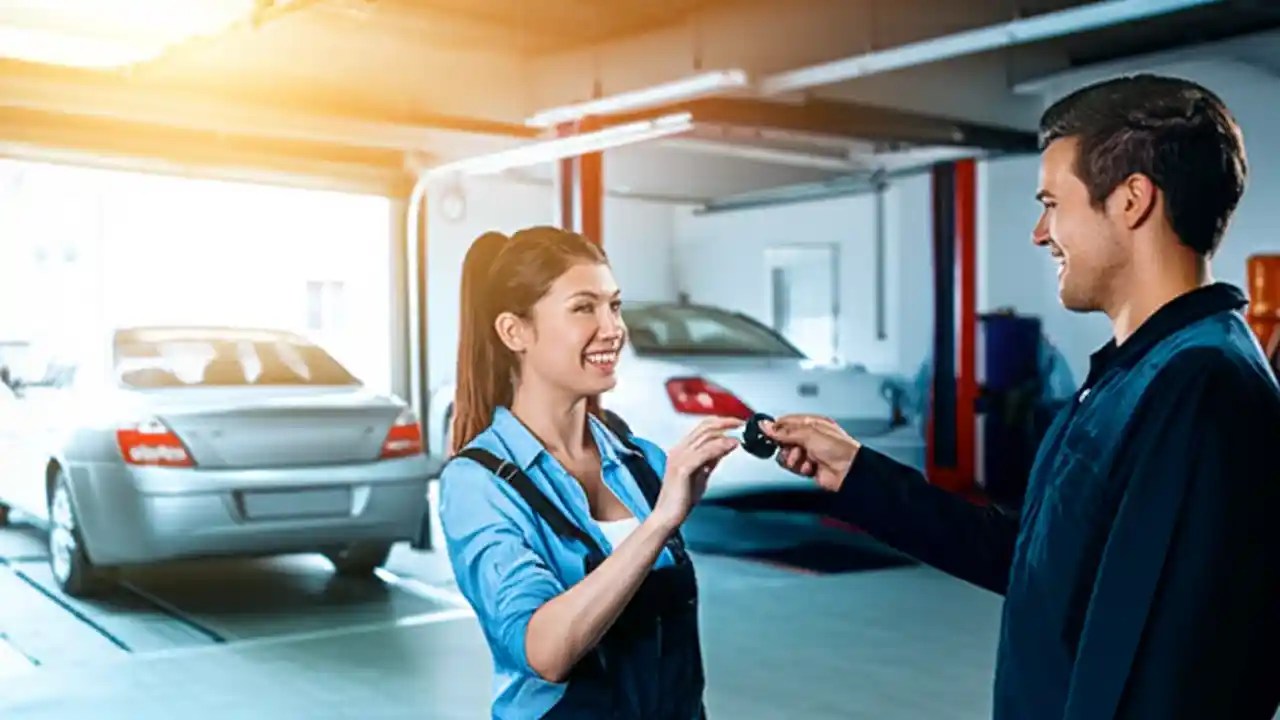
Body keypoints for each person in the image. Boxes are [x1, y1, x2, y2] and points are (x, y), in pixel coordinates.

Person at [761, 74, 1280, 719]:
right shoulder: (1134, 373)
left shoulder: (1200, 387)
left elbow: (1164, 670)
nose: (1040, 231)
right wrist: (857, 473)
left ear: (1131, 201)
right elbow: (1041, 565)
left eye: (1052, 203)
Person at [437, 226, 741, 719]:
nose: (613, 328)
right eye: (584, 308)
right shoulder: (477, 483)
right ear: (515, 332)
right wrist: (660, 522)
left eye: (614, 306)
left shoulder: (636, 460)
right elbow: (545, 652)